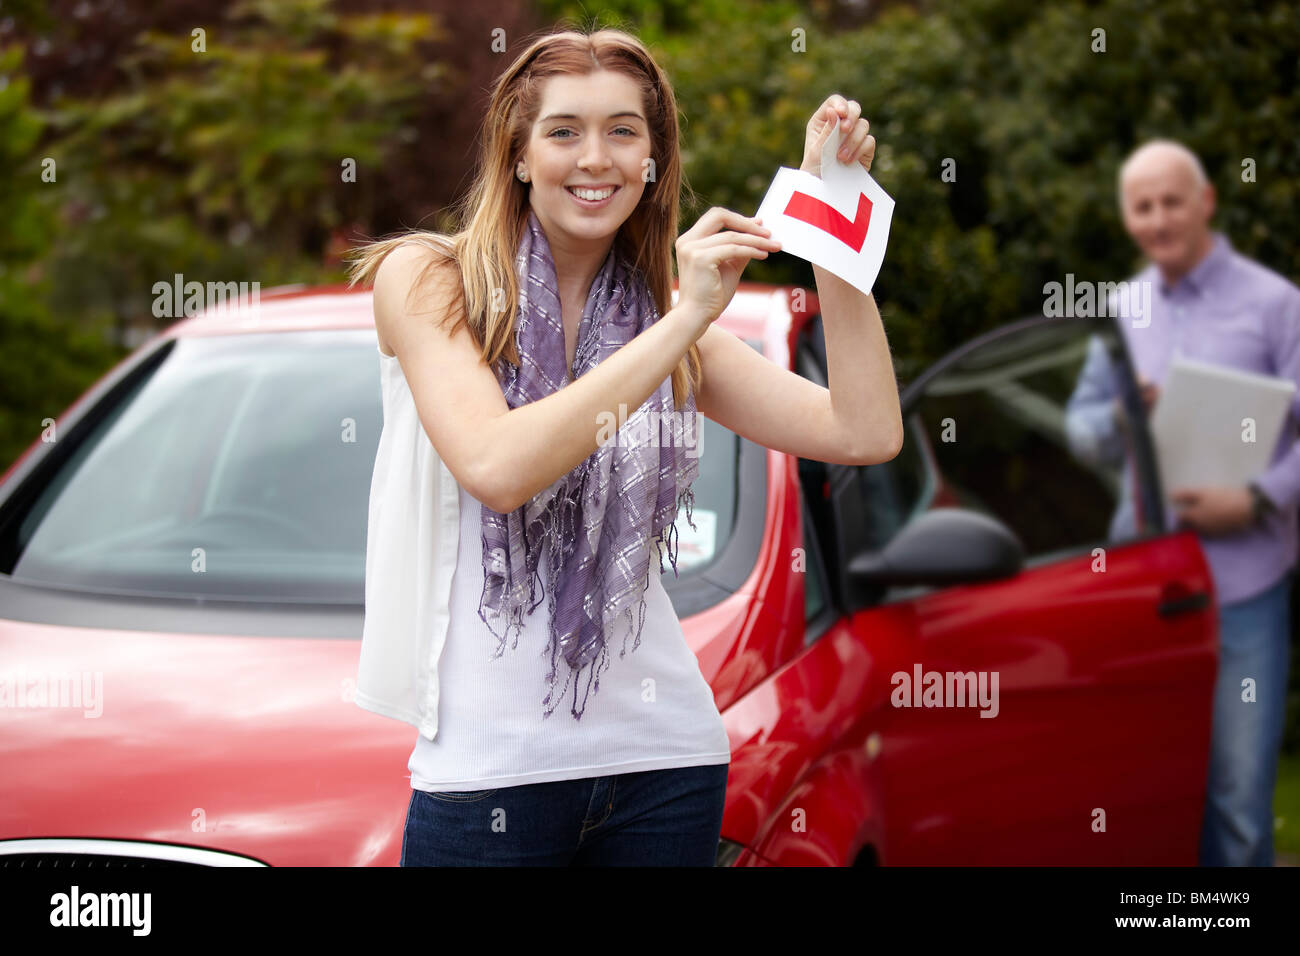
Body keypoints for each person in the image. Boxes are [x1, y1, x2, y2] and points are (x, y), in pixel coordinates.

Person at [345, 26, 902, 867]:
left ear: (653, 161)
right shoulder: (430, 281)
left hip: (664, 766)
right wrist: (685, 319)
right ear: (520, 154)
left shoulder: (670, 327)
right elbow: (497, 467)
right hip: (487, 779)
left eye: (623, 131)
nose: (594, 157)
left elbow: (863, 431)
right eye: (564, 130)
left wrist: (828, 223)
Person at [1065, 139, 1300, 866]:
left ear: (1206, 202)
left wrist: (1257, 498)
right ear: (1127, 217)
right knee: (1152, 796)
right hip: (1144, 590)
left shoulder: (1276, 304)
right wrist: (1119, 419)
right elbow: (1079, 428)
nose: (1158, 219)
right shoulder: (1120, 310)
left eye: (1172, 201)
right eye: (1142, 206)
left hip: (1243, 589)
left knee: (1236, 805)